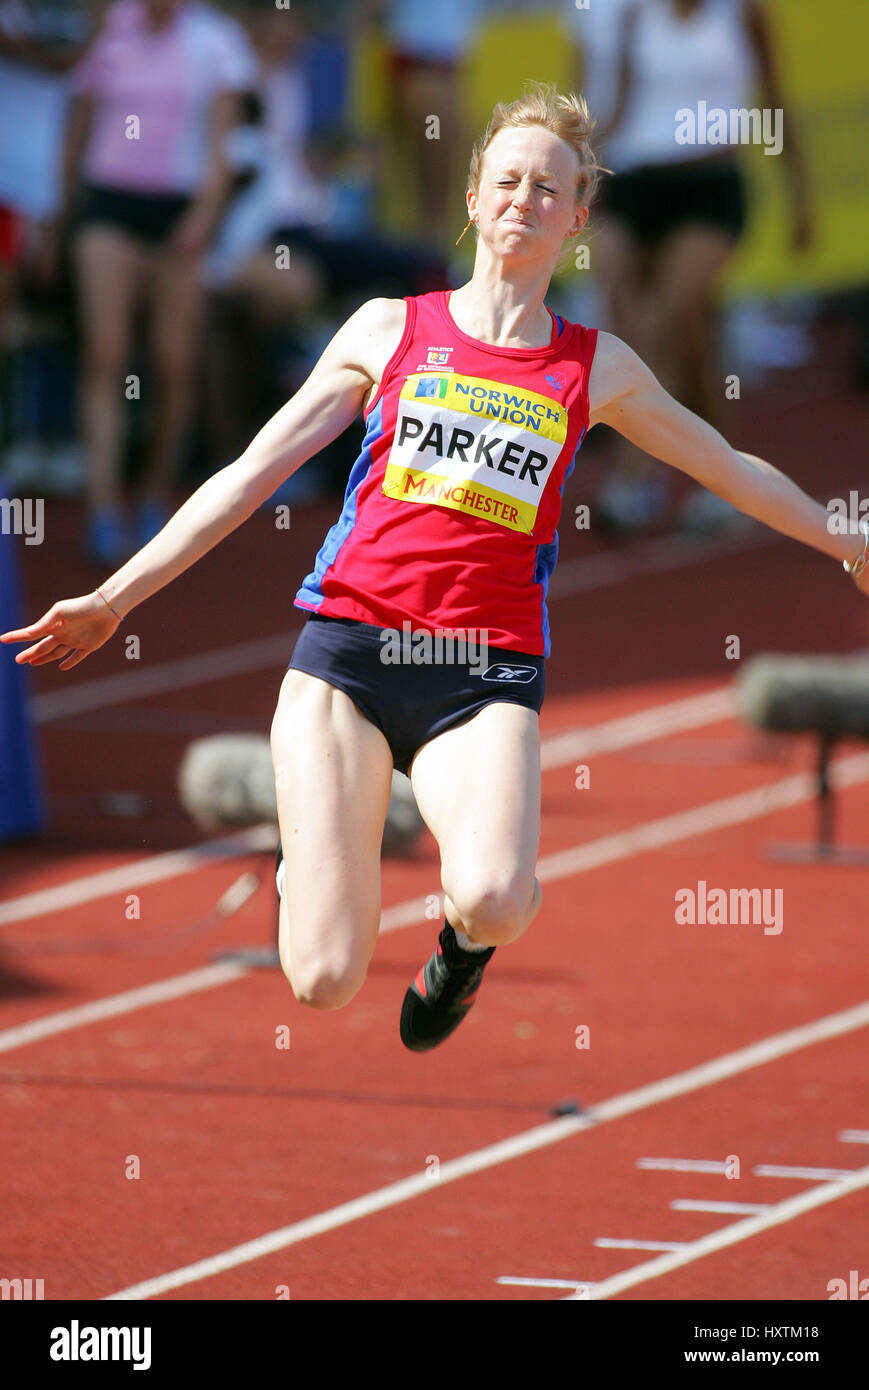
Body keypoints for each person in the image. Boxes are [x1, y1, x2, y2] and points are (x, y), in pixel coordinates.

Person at [3, 84, 867, 1054]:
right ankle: (307, 861)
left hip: (481, 672)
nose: (523, 201)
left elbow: (726, 465)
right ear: (471, 198)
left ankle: (459, 946)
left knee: (497, 894)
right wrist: (115, 599)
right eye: (506, 180)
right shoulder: (388, 331)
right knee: (323, 980)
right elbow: (250, 476)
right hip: (347, 660)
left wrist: (844, 538)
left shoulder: (595, 366)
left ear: (577, 218)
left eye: (549, 189)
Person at [578, 0, 813, 532]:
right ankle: (720, 480)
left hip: (710, 187)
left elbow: (775, 102)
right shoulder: (637, 15)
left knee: (669, 316)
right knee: (676, 334)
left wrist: (801, 196)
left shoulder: (742, 13)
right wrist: (578, 170)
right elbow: (619, 107)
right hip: (637, 185)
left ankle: (636, 479)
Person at [45, 0, 259, 565]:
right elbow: (79, 122)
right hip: (108, 207)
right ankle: (102, 509)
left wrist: (204, 219)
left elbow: (225, 146)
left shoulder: (217, 41)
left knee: (173, 364)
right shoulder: (108, 29)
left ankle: (154, 493)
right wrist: (58, 215)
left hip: (178, 211)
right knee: (106, 355)